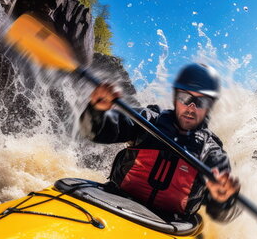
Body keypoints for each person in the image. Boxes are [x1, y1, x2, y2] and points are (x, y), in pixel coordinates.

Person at [79, 63, 241, 223]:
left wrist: (223, 200)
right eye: (185, 98)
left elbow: (221, 215)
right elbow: (94, 132)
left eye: (201, 102)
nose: (191, 108)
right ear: (176, 97)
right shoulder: (148, 119)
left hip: (168, 224)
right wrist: (96, 110)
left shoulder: (212, 152)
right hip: (115, 204)